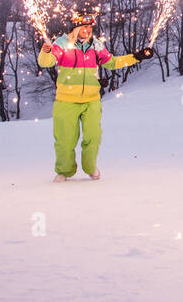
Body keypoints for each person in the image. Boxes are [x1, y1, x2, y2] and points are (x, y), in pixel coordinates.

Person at [36, 11, 154, 182]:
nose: (88, 30)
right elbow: (45, 62)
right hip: (66, 101)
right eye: (84, 27)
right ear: (76, 27)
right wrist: (45, 52)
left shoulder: (96, 45)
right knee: (65, 139)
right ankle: (64, 171)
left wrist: (136, 57)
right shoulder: (62, 43)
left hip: (91, 100)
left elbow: (112, 62)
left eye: (90, 27)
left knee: (93, 136)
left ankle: (90, 167)